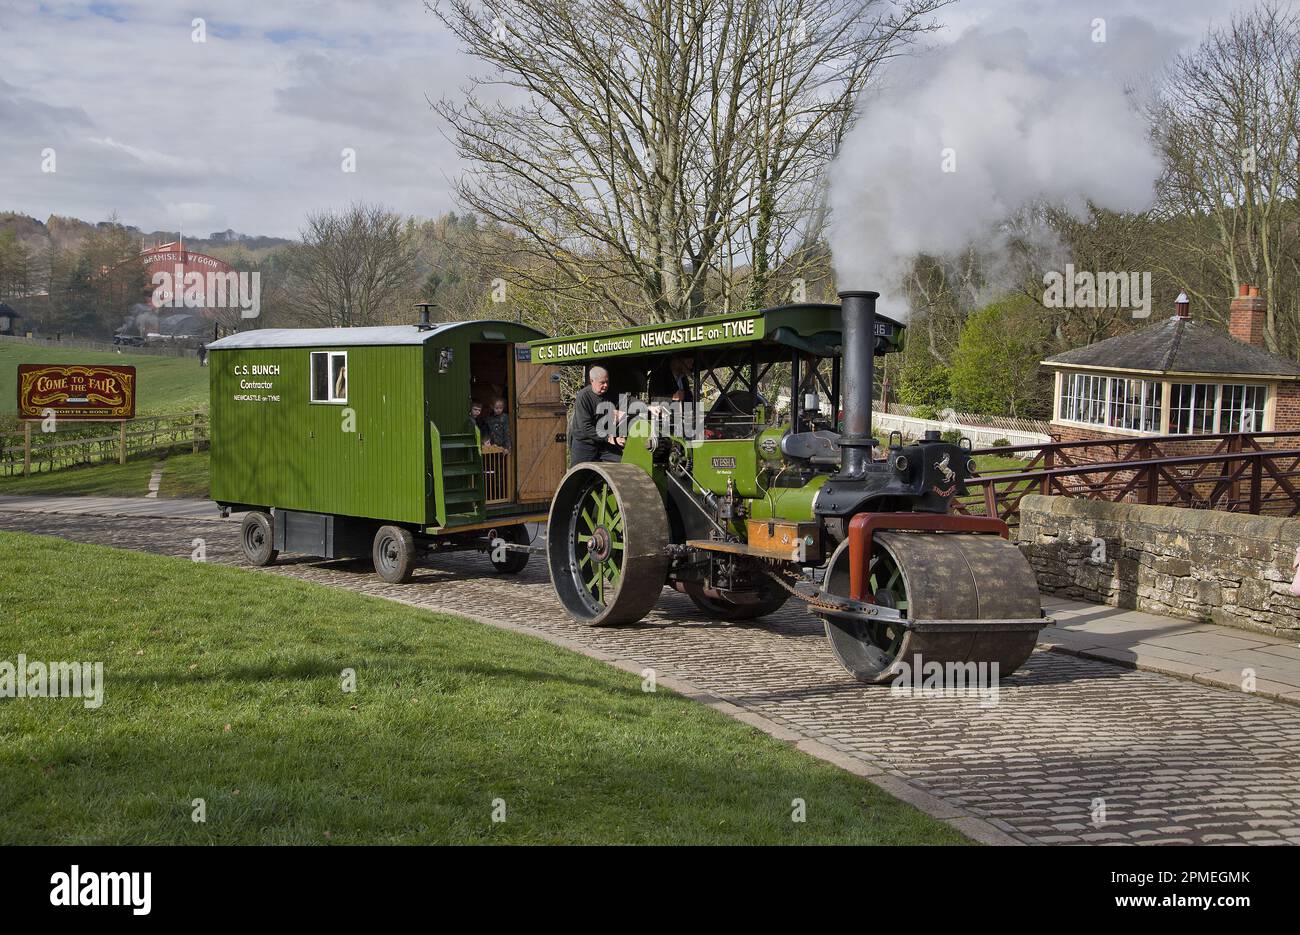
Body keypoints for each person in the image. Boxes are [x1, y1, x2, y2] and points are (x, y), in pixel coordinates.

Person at [569, 366, 625, 464]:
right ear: (592, 381)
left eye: (607, 382)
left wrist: (647, 407)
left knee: (623, 465)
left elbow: (628, 401)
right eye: (602, 382)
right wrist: (608, 438)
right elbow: (586, 427)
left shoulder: (611, 393)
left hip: (604, 444)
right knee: (581, 475)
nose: (606, 385)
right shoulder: (583, 396)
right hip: (585, 444)